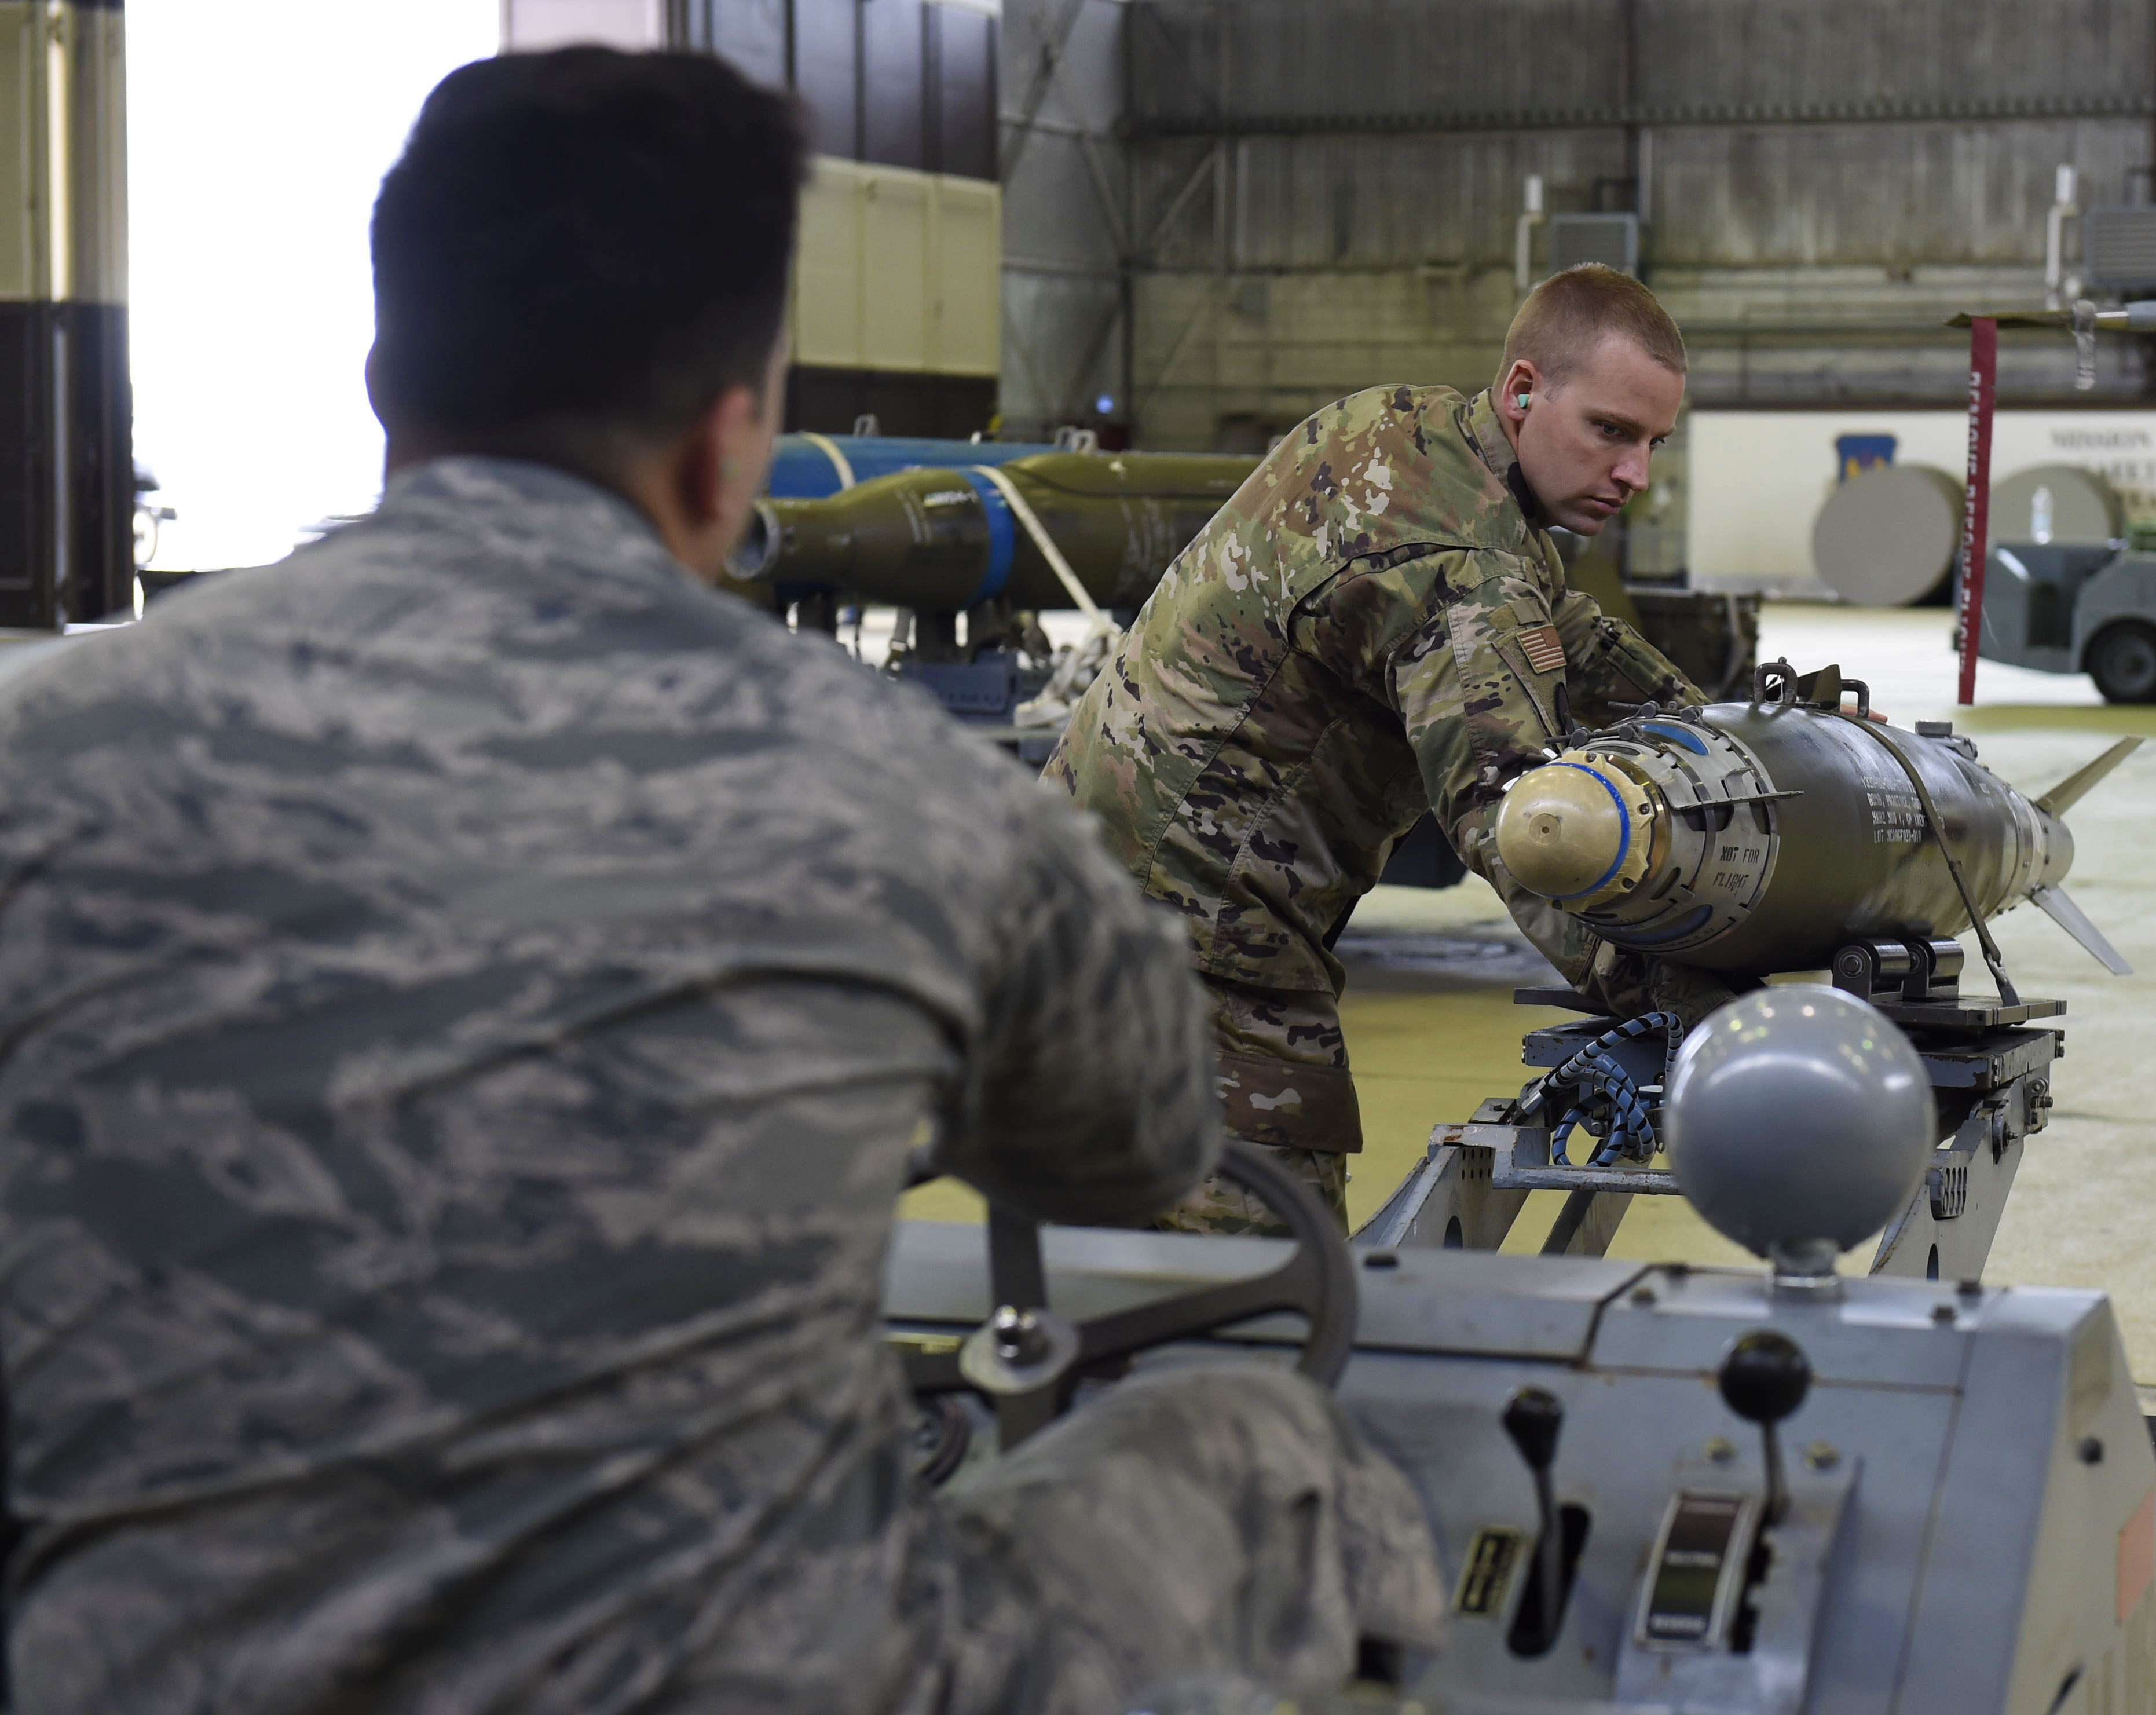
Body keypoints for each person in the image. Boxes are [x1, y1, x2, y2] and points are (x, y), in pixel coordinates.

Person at [0, 49, 1438, 1714]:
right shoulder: (909, 803)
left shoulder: (50, 749)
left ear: (384, 377)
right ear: (732, 437)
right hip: (751, 1674)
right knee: (1267, 1447)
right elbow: (1142, 1145)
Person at [1046, 266, 1730, 1234]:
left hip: (1098, 895)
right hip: (1185, 945)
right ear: (1525, 391)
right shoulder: (1459, 559)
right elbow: (1523, 821)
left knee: (1177, 1272)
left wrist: (1722, 723)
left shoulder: (1410, 432)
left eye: (1655, 442)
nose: (1637, 475)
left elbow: (1563, 632)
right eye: (1611, 432)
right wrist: (1688, 996)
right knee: (1252, 1280)